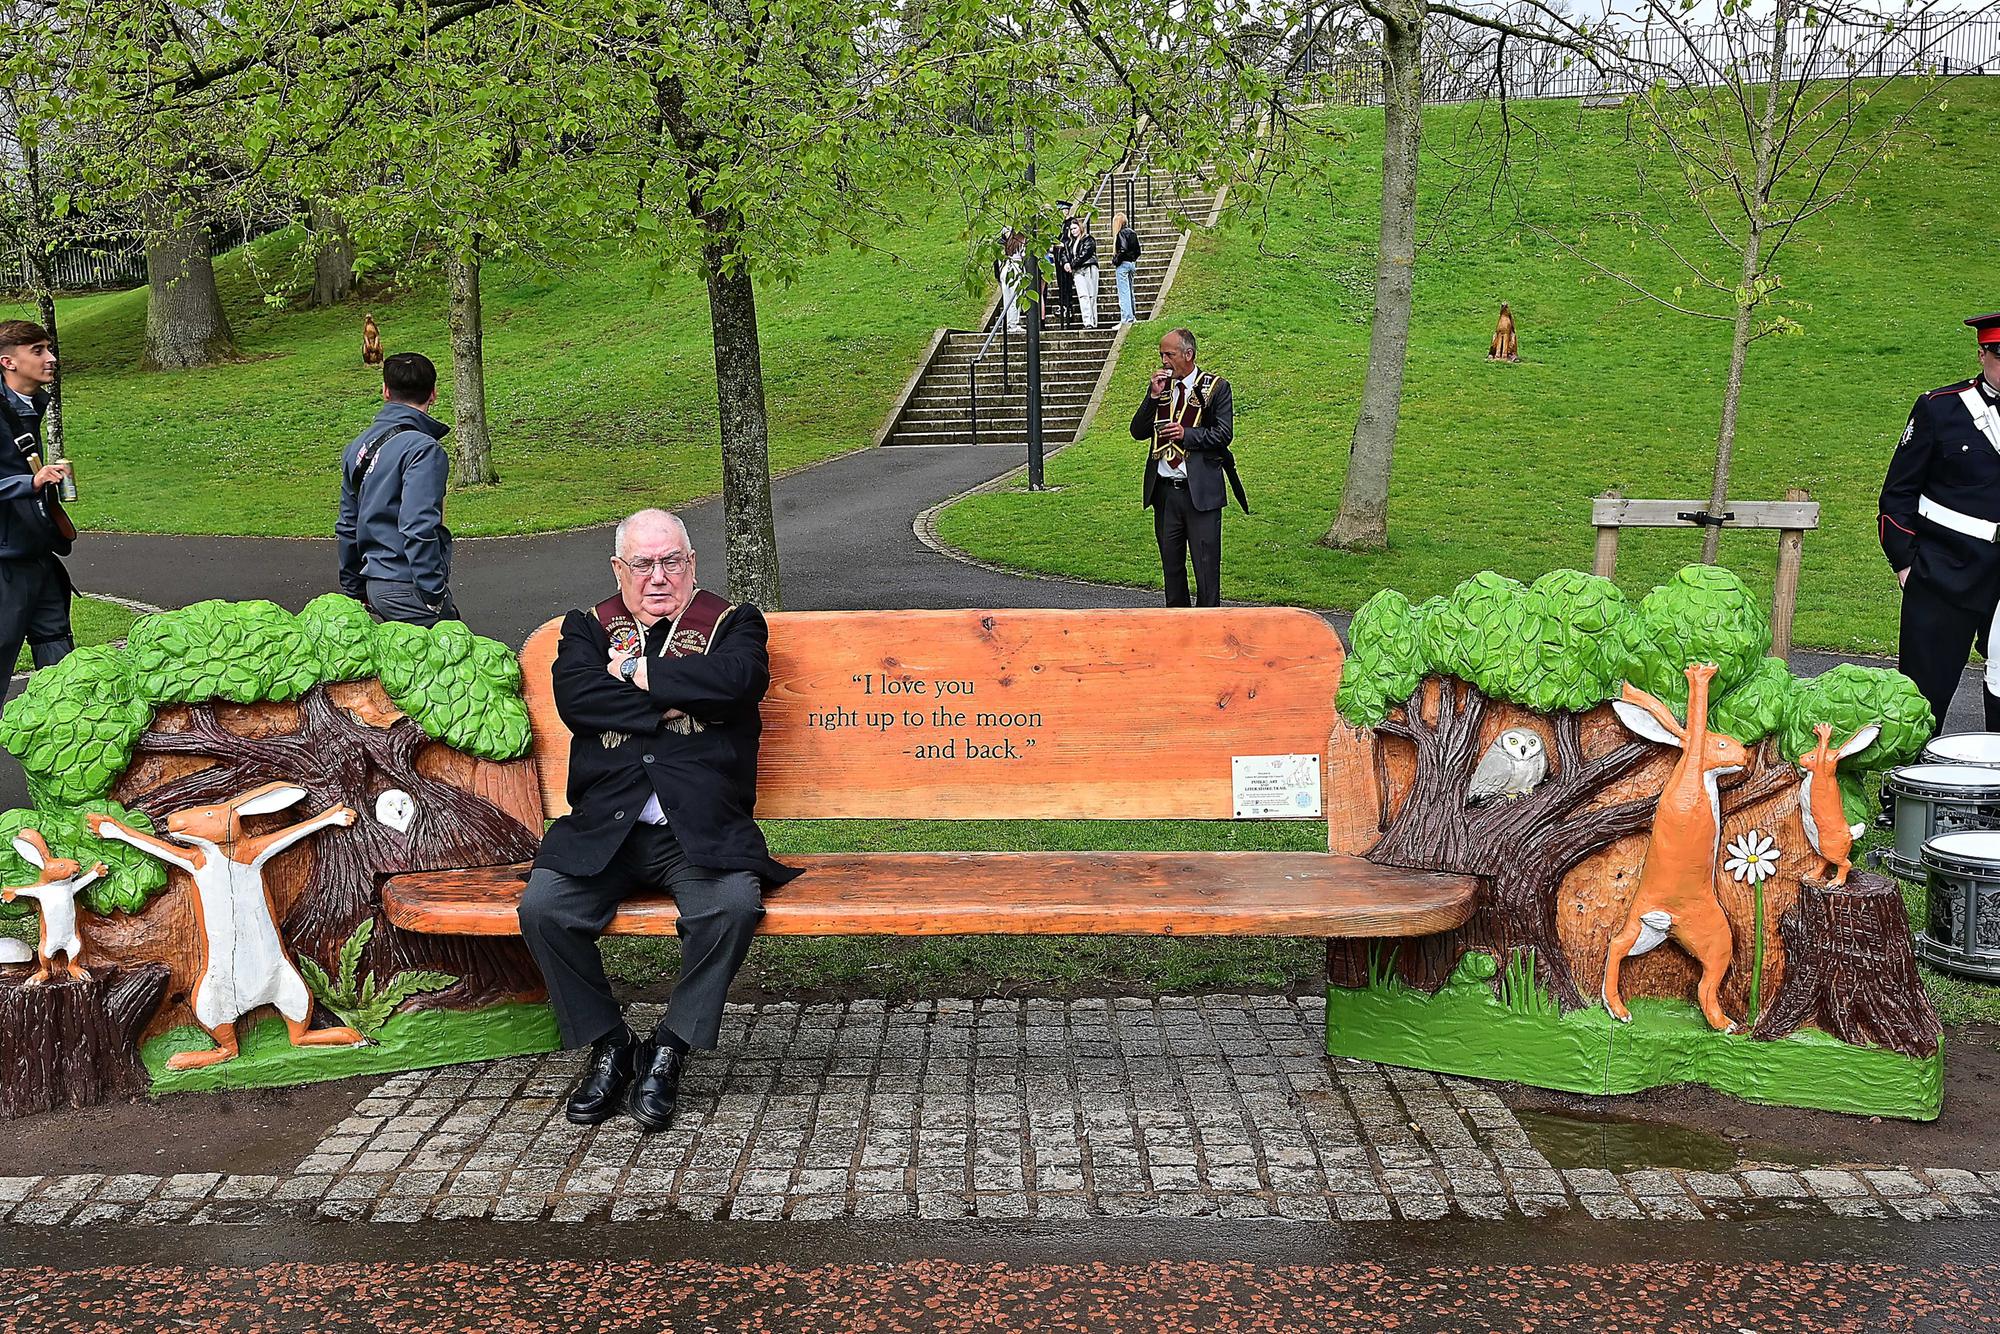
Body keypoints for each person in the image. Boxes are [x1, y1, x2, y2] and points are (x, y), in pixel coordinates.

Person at [517, 509, 800, 1134]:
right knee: (543, 910)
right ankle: (611, 1044)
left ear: (691, 564)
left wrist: (637, 674)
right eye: (642, 563)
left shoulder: (734, 623)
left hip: (697, 831)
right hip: (605, 830)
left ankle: (670, 1045)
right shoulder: (585, 629)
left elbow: (737, 681)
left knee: (730, 906)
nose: (657, 576)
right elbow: (579, 700)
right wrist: (680, 698)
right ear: (620, 569)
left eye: (671, 561)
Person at [1880, 312, 2000, 733]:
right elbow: (1898, 493)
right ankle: (1906, 790)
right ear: (1982, 352)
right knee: (1921, 697)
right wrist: (1905, 564)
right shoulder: (1940, 408)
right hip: (1945, 572)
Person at [336, 351, 459, 627]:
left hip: (374, 587)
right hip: (409, 588)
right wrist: (434, 595)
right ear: (433, 393)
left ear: (385, 391)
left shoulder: (358, 447)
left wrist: (354, 590)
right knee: (463, 663)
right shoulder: (424, 450)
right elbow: (418, 525)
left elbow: (347, 526)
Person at [1129, 327, 1247, 608]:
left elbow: (1222, 434)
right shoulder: (1162, 388)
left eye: (1169, 355)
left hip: (1200, 495)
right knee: (1172, 569)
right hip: (1166, 494)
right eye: (1161, 355)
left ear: (1188, 354)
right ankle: (1177, 628)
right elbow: (1137, 431)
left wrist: (1186, 435)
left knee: (1206, 572)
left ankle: (1209, 632)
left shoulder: (1215, 387)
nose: (1163, 361)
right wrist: (1152, 397)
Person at [0, 320, 76, 678]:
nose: (51, 358)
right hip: (5, 564)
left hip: (37, 555)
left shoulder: (27, 405)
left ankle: (64, 731)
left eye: (48, 348)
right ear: (8, 362)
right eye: (38, 351)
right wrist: (29, 482)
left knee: (57, 649)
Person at [1070, 216, 1101, 329]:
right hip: (1078, 270)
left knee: (1092, 295)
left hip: (1088, 267)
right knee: (1083, 296)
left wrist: (1073, 264)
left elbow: (1086, 253)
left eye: (1075, 228)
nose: (1073, 231)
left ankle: (1093, 321)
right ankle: (1087, 321)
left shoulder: (1088, 239)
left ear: (1080, 228)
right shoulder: (1071, 243)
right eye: (1071, 229)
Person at [1112, 212, 1142, 325]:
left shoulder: (1120, 234)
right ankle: (1132, 315)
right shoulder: (1132, 233)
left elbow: (1123, 249)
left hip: (1123, 264)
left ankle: (1127, 318)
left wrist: (1116, 260)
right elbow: (1138, 251)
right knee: (1130, 291)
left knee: (1123, 292)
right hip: (1131, 263)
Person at [996, 230, 1026, 334]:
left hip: (1005, 269)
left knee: (1007, 298)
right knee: (1015, 297)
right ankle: (1013, 324)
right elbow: (1024, 255)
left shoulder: (1007, 244)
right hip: (1015, 269)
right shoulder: (1020, 242)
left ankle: (1008, 323)